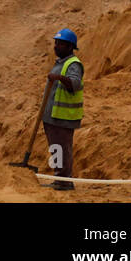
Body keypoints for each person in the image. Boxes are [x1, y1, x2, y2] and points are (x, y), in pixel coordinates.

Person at [42, 28, 84, 191]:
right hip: (53, 115)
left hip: (63, 116)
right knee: (56, 148)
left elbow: (74, 84)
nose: (56, 46)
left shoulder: (73, 64)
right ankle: (59, 178)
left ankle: (64, 181)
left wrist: (58, 77)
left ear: (69, 47)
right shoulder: (60, 63)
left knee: (61, 148)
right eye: (56, 43)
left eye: (60, 44)